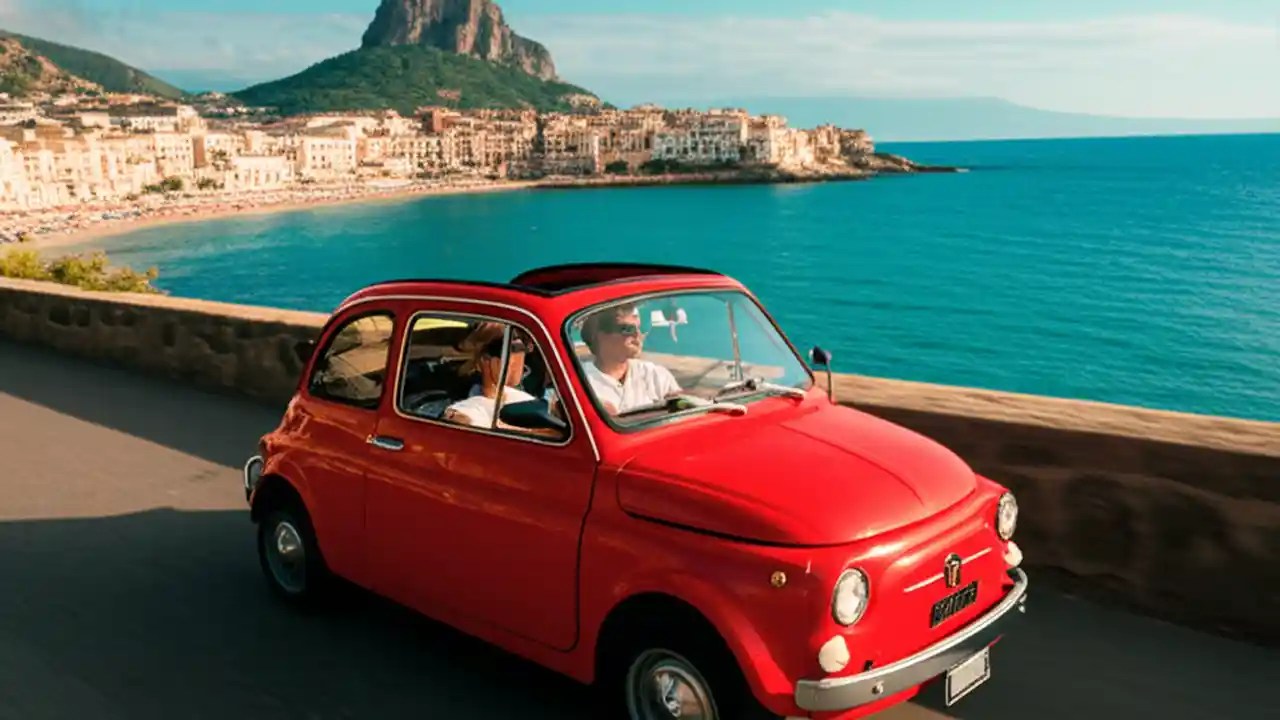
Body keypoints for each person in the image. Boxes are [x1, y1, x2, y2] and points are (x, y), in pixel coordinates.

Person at [579, 303, 683, 414]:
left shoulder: (655, 375)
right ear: (600, 336)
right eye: (628, 329)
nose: (637, 335)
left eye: (642, 328)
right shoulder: (579, 384)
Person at [442, 322, 539, 431]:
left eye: (522, 346)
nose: (517, 359)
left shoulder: (525, 400)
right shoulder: (468, 409)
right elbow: (461, 421)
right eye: (508, 348)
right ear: (484, 359)